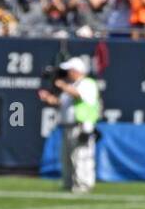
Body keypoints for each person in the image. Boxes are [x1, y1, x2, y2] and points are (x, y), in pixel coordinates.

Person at [39, 57, 100, 193]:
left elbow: (78, 95)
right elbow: (62, 103)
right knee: (66, 157)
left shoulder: (87, 83)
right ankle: (68, 183)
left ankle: (83, 185)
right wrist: (49, 99)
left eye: (69, 70)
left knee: (81, 156)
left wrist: (62, 85)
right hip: (67, 126)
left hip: (82, 125)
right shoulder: (71, 84)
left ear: (76, 71)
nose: (67, 73)